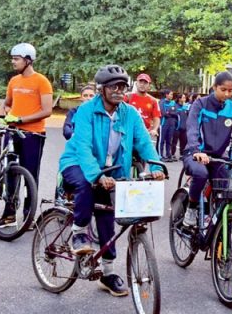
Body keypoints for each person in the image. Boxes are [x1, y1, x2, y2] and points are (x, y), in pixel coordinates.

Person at [58, 64, 164, 297]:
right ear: (101, 89)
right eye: (113, 86)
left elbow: (144, 142)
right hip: (77, 162)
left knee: (107, 217)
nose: (119, 90)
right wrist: (97, 175)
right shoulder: (86, 111)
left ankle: (108, 273)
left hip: (111, 170)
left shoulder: (130, 113)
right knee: (87, 184)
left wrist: (156, 166)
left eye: (123, 86)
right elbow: (84, 147)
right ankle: (78, 232)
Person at [182, 72, 232, 228]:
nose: (227, 94)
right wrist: (196, 150)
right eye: (223, 90)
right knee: (201, 174)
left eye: (230, 90)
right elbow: (192, 128)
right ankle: (191, 208)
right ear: (214, 88)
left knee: (226, 188)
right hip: (195, 154)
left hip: (218, 157)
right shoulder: (200, 104)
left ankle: (218, 226)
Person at [0, 43, 53, 227]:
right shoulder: (14, 81)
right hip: (12, 132)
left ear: (28, 60)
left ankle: (29, 215)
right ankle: (9, 214)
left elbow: (47, 110)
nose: (13, 62)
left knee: (30, 174)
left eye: (16, 59)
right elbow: (6, 103)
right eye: (13, 59)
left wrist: (22, 119)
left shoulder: (41, 81)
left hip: (33, 134)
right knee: (11, 173)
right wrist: (3, 113)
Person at [124, 73, 161, 142]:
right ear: (136, 83)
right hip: (128, 133)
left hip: (145, 134)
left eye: (145, 83)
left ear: (149, 85)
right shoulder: (127, 97)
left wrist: (154, 129)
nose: (142, 84)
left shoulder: (153, 101)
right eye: (140, 82)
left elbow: (156, 117)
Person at [158, 90, 178, 161]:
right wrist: (170, 113)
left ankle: (168, 155)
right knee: (161, 140)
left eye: (172, 95)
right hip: (163, 124)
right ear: (166, 95)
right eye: (170, 94)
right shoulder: (162, 102)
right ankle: (160, 155)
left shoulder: (173, 103)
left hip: (171, 124)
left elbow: (176, 113)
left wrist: (170, 112)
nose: (171, 96)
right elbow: (163, 113)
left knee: (169, 140)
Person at [171, 93, 189, 158]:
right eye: (183, 97)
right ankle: (172, 154)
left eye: (185, 97)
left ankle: (182, 154)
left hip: (184, 128)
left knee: (184, 142)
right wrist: (180, 111)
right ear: (179, 99)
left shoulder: (186, 106)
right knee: (174, 142)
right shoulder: (175, 105)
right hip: (177, 127)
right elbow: (172, 113)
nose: (185, 99)